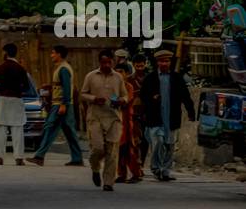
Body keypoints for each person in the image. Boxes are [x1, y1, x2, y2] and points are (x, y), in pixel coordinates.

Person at [140, 49, 195, 181]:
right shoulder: (150, 78)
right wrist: (152, 99)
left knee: (169, 145)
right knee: (158, 142)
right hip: (155, 118)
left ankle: (165, 171)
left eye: (166, 61)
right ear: (157, 63)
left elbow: (185, 96)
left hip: (171, 117)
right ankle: (156, 168)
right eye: (161, 61)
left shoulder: (177, 78)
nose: (164, 63)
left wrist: (191, 112)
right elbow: (142, 96)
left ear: (170, 62)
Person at [80, 49, 129, 191]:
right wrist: (94, 99)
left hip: (113, 118)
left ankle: (108, 182)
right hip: (95, 117)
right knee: (98, 148)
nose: (106, 65)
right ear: (99, 62)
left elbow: (125, 96)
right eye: (104, 62)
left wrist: (121, 101)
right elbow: (83, 94)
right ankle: (95, 168)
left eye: (109, 62)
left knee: (112, 150)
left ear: (113, 62)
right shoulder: (91, 76)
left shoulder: (118, 77)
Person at [30, 44, 84, 166]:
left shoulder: (63, 69)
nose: (51, 55)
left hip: (60, 104)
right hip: (62, 104)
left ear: (59, 54)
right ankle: (77, 158)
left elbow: (66, 88)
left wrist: (63, 105)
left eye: (53, 53)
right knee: (69, 132)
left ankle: (39, 156)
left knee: (50, 128)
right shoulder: (61, 68)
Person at [0, 42, 31, 165]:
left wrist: (2, 88)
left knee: (1, 128)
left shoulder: (0, 68)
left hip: (3, 99)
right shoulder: (20, 68)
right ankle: (19, 158)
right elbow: (26, 87)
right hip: (16, 100)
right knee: (17, 128)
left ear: (6, 53)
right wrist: (17, 89)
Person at [114, 49, 143, 184]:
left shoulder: (128, 86)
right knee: (119, 150)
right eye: (117, 72)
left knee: (131, 149)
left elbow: (126, 101)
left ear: (126, 74)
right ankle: (121, 174)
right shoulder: (114, 87)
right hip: (117, 122)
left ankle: (136, 173)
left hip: (128, 122)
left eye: (122, 72)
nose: (119, 75)